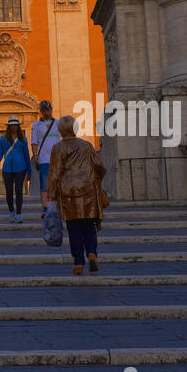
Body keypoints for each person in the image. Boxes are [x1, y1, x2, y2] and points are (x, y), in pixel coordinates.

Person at [47, 115, 107, 274]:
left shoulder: (58, 148)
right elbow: (100, 166)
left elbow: (54, 173)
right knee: (89, 226)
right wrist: (96, 180)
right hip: (88, 191)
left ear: (60, 130)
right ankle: (92, 253)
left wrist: (51, 195)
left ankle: (79, 263)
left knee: (73, 229)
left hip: (68, 193)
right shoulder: (86, 146)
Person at [0, 117, 32, 223]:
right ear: (9, 126)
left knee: (18, 191)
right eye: (11, 125)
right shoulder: (3, 139)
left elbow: (27, 155)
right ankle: (11, 212)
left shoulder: (23, 139)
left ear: (18, 126)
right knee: (8, 192)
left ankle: (19, 215)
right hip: (7, 169)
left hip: (21, 168)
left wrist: (29, 171)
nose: (13, 127)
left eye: (15, 125)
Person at [30, 100, 60, 216]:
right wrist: (35, 155)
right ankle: (45, 208)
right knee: (44, 185)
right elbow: (34, 141)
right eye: (44, 110)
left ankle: (56, 206)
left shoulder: (58, 123)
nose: (46, 112)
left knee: (57, 184)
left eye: (48, 109)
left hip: (56, 159)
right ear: (41, 111)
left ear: (51, 109)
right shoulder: (36, 125)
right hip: (43, 159)